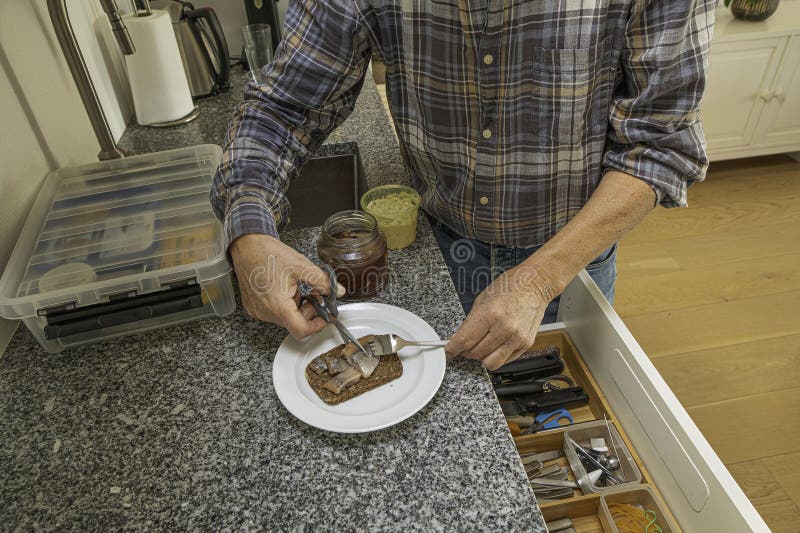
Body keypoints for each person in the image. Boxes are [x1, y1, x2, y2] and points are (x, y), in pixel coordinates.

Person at [211, 1, 715, 371]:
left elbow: (659, 145)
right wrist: (249, 232)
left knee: (545, 402)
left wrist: (539, 279)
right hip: (436, 242)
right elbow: (281, 109)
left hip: (571, 260)